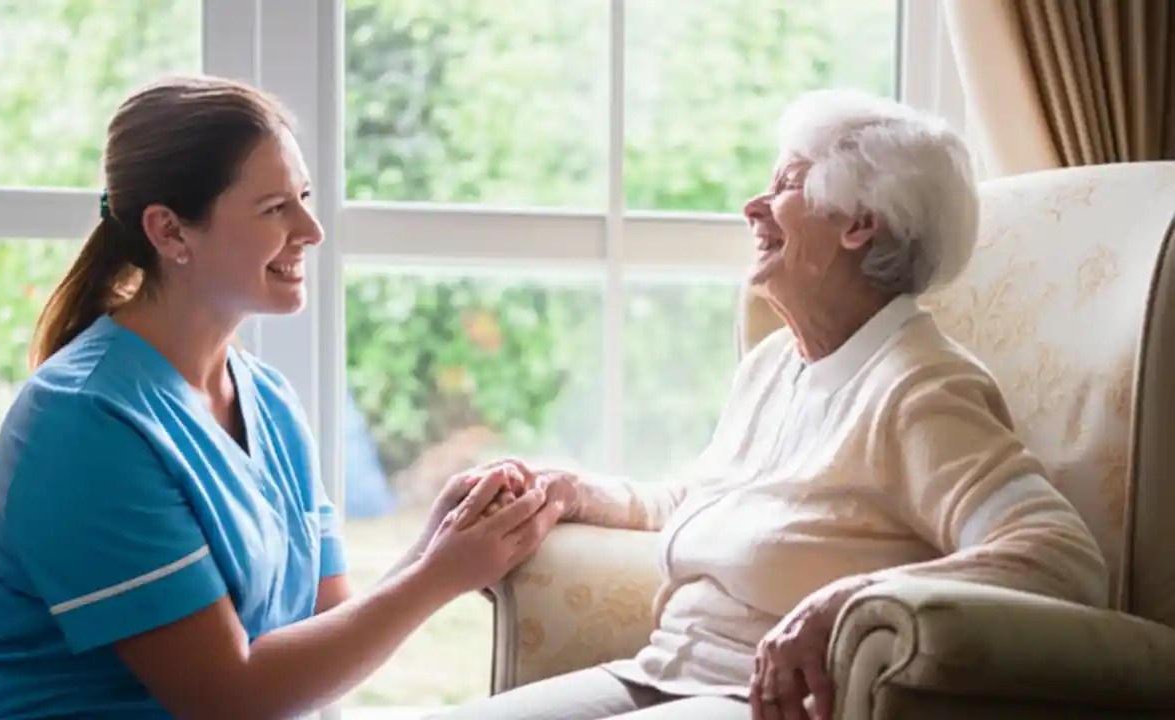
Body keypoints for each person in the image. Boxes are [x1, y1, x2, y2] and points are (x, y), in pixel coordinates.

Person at [0, 75, 562, 720]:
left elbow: (324, 633)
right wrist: (441, 576)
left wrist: (436, 545)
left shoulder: (266, 399)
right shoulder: (84, 419)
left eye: (304, 195)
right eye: (276, 207)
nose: (311, 228)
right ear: (170, 232)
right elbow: (227, 698)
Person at [440, 89, 1109, 720]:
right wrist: (578, 491)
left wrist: (847, 603)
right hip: (660, 673)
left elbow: (1060, 557)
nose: (753, 206)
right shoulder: (777, 364)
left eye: (788, 184)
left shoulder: (922, 388)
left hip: (751, 702)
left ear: (860, 225)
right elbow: (708, 499)